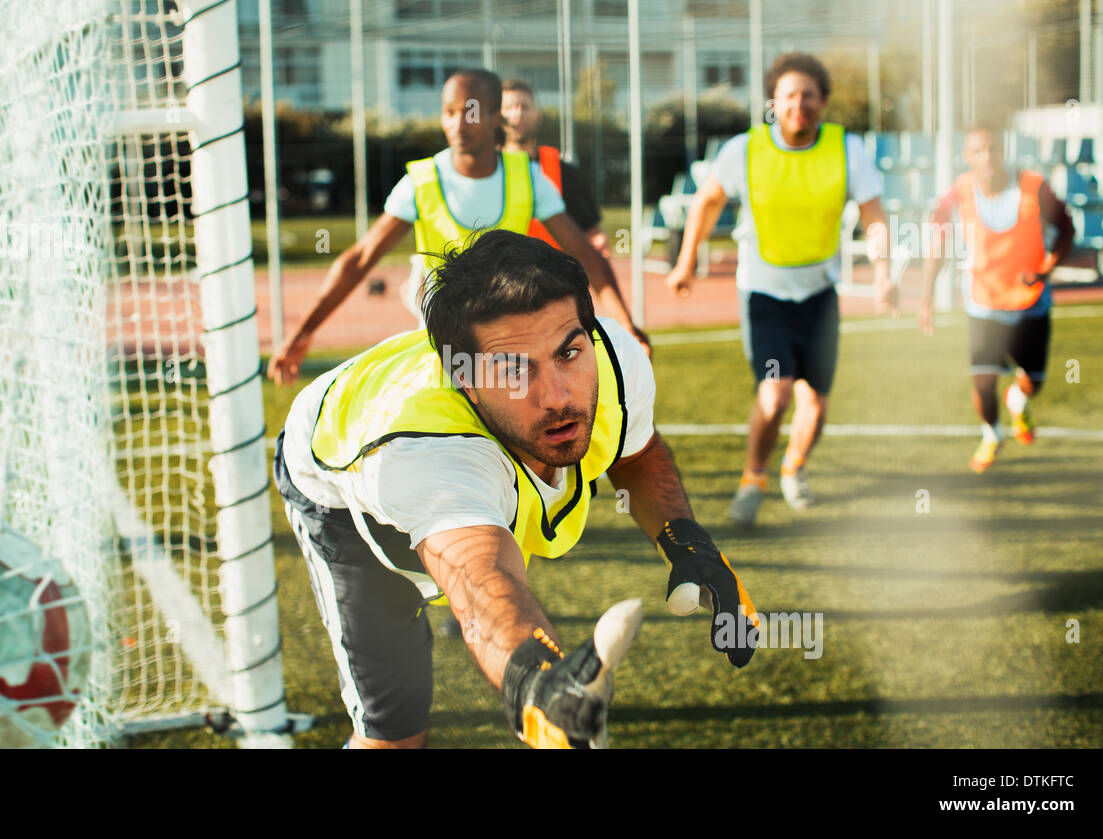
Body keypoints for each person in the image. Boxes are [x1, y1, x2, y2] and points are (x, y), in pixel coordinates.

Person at [274, 231, 758, 749]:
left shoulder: (613, 356)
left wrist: (683, 536)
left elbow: (633, 450)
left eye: (568, 353)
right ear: (467, 384)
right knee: (393, 730)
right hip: (333, 479)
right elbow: (479, 579)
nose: (557, 396)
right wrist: (534, 681)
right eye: (512, 370)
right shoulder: (428, 456)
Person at [267, 69, 648, 385]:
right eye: (449, 111)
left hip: (511, 352)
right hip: (445, 354)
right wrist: (303, 332)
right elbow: (360, 259)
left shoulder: (528, 179)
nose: (458, 122)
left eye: (471, 111)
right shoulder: (421, 182)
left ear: (497, 116)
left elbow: (585, 255)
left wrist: (628, 325)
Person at [663, 52, 893, 525]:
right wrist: (686, 262)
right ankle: (754, 478)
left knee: (817, 403)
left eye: (809, 94)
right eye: (789, 95)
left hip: (820, 295)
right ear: (774, 101)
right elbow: (708, 202)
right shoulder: (744, 150)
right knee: (775, 392)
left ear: (823, 101)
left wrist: (884, 270)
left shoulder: (846, 149)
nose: (799, 104)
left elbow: (874, 214)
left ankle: (794, 468)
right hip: (764, 294)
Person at [919, 124, 1073, 472]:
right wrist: (926, 299)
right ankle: (992, 435)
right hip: (983, 302)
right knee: (983, 380)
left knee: (1033, 380)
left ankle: (1018, 401)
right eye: (978, 151)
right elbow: (939, 242)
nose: (986, 157)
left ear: (1004, 150)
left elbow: (1067, 229)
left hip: (1030, 302)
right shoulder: (959, 192)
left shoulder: (1034, 187)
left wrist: (1048, 267)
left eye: (993, 149)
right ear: (967, 156)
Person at [500, 78, 610, 258]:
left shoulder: (562, 172)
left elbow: (594, 233)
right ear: (497, 116)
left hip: (552, 281)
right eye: (509, 107)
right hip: (501, 281)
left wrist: (597, 245)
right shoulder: (485, 172)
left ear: (538, 115)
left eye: (524, 107)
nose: (517, 114)